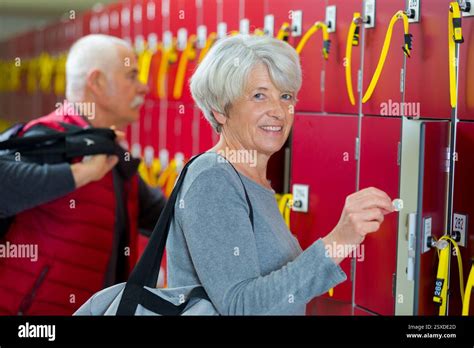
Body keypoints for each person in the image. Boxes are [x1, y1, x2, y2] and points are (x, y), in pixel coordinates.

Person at [166, 34, 395, 315]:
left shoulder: (251, 180)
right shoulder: (213, 179)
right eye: (259, 95)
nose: (278, 111)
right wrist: (339, 240)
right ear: (220, 109)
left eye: (285, 96)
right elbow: (240, 306)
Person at [0, 34, 166, 315]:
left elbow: (165, 217)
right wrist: (78, 173)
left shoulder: (108, 154)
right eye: (132, 76)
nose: (144, 87)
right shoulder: (48, 139)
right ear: (97, 83)